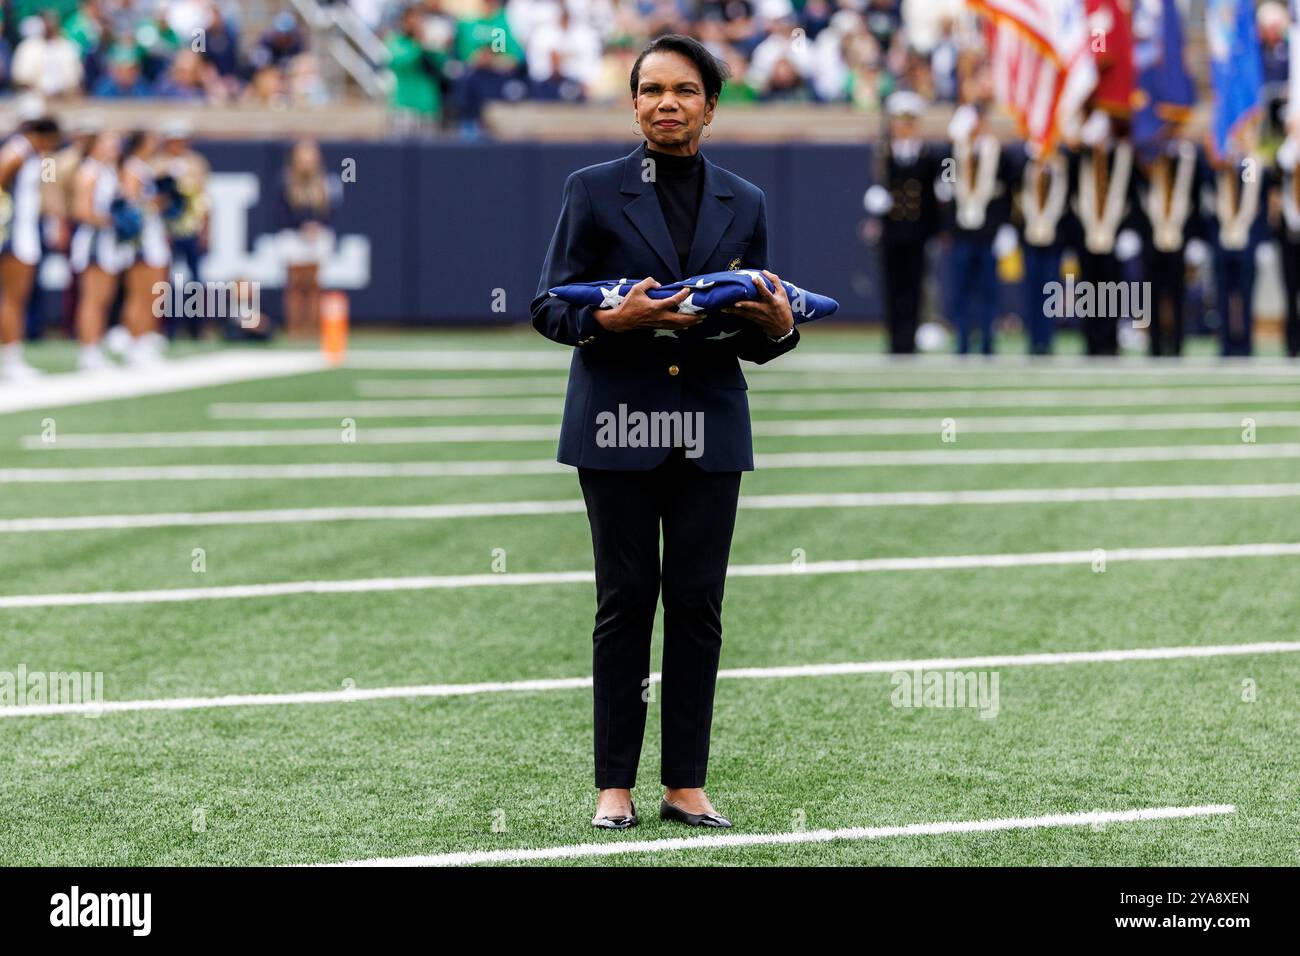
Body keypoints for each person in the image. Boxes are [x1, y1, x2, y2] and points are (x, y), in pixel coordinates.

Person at [530, 34, 801, 832]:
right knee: (624, 602)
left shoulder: (744, 201)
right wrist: (610, 319)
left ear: (711, 107)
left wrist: (781, 328)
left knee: (697, 605)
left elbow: (758, 328)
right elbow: (548, 306)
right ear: (634, 101)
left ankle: (686, 785)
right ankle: (613, 785)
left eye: (684, 90)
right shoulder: (591, 189)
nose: (666, 103)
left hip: (710, 426)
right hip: (615, 423)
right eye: (651, 90)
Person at [864, 90, 942, 354]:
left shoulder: (929, 155)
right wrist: (874, 201)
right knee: (892, 287)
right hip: (892, 231)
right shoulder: (883, 153)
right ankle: (895, 340)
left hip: (918, 232)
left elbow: (939, 188)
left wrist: (937, 226)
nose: (904, 127)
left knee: (914, 287)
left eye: (910, 121)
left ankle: (910, 340)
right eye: (900, 121)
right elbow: (875, 184)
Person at [0, 110, 61, 381]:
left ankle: (13, 355)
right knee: (12, 297)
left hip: (25, 231)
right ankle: (11, 359)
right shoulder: (19, 150)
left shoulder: (34, 154)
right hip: (15, 232)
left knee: (18, 297)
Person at [1014, 144, 1071, 355]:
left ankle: (1046, 340)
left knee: (1050, 292)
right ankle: (1032, 340)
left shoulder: (1061, 166)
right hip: (1029, 238)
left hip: (1054, 240)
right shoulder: (1024, 164)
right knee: (1031, 291)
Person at [278, 139, 338, 337]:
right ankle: (294, 327)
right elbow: (280, 212)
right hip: (293, 236)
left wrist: (316, 226)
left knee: (314, 285)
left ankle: (313, 327)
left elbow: (330, 211)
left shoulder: (324, 182)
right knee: (295, 284)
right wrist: (301, 225)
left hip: (318, 236)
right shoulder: (286, 181)